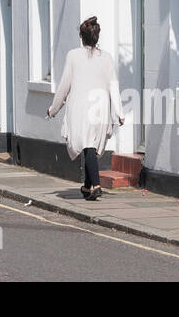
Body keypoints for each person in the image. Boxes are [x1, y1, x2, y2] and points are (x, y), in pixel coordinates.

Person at [46, 16, 123, 200]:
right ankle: (88, 188)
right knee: (91, 145)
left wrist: (53, 109)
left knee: (88, 144)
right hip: (101, 104)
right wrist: (119, 112)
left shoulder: (73, 56)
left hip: (81, 104)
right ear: (97, 37)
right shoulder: (106, 58)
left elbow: (64, 85)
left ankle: (96, 185)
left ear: (82, 36)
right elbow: (114, 85)